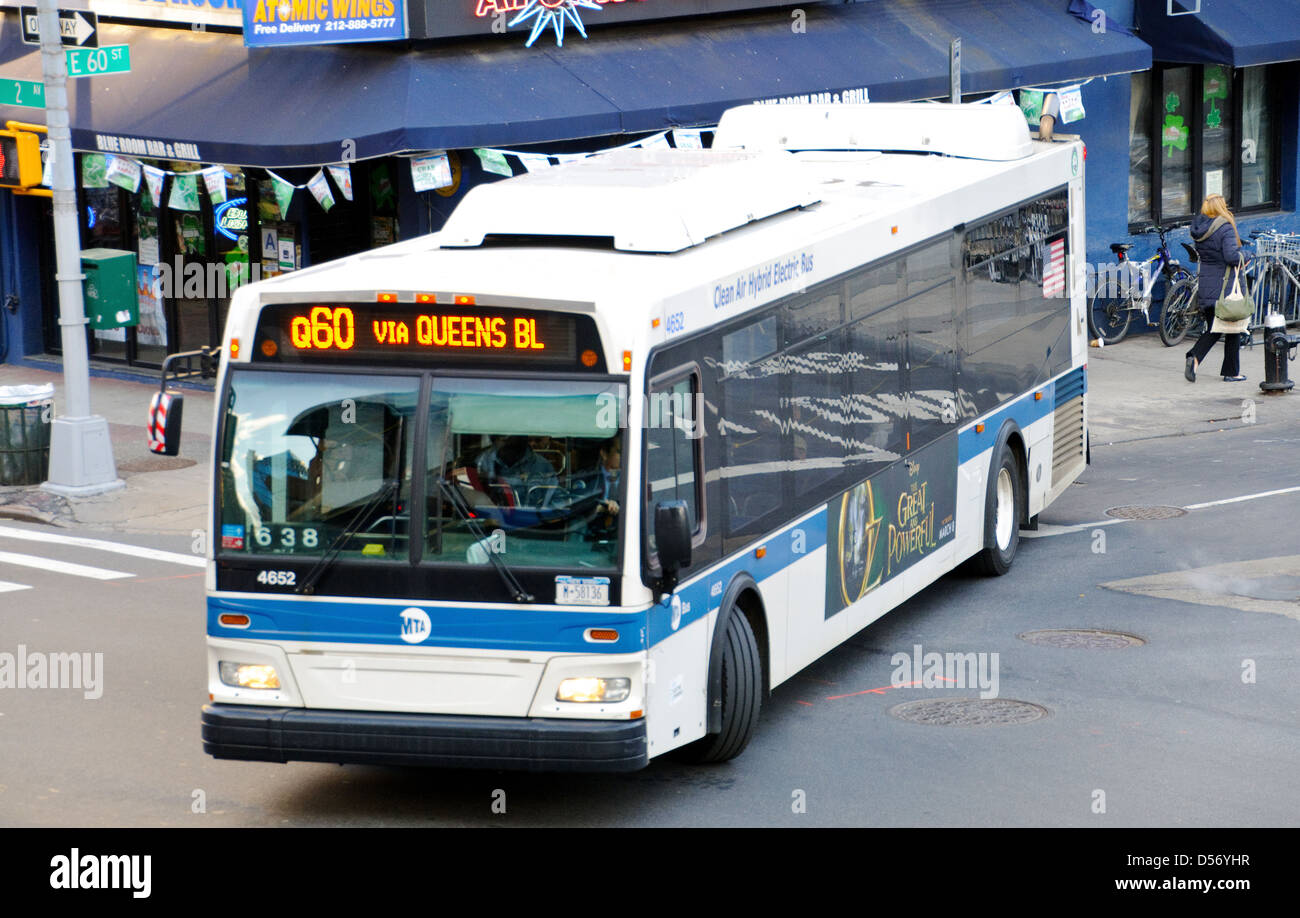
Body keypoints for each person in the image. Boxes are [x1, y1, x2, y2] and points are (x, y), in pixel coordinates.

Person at [1185, 194, 1249, 383]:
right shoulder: (1224, 227)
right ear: (1222, 207)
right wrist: (1247, 254)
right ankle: (1231, 372)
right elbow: (1231, 257)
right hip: (1225, 286)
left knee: (1215, 328)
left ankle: (1194, 358)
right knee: (1233, 328)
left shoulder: (1199, 230)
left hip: (1207, 285)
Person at [475, 435, 559, 507]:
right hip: (489, 523)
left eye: (511, 439)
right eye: (502, 438)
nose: (506, 443)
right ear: (494, 439)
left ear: (522, 439)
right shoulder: (482, 462)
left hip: (535, 523)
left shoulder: (543, 466)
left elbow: (554, 505)